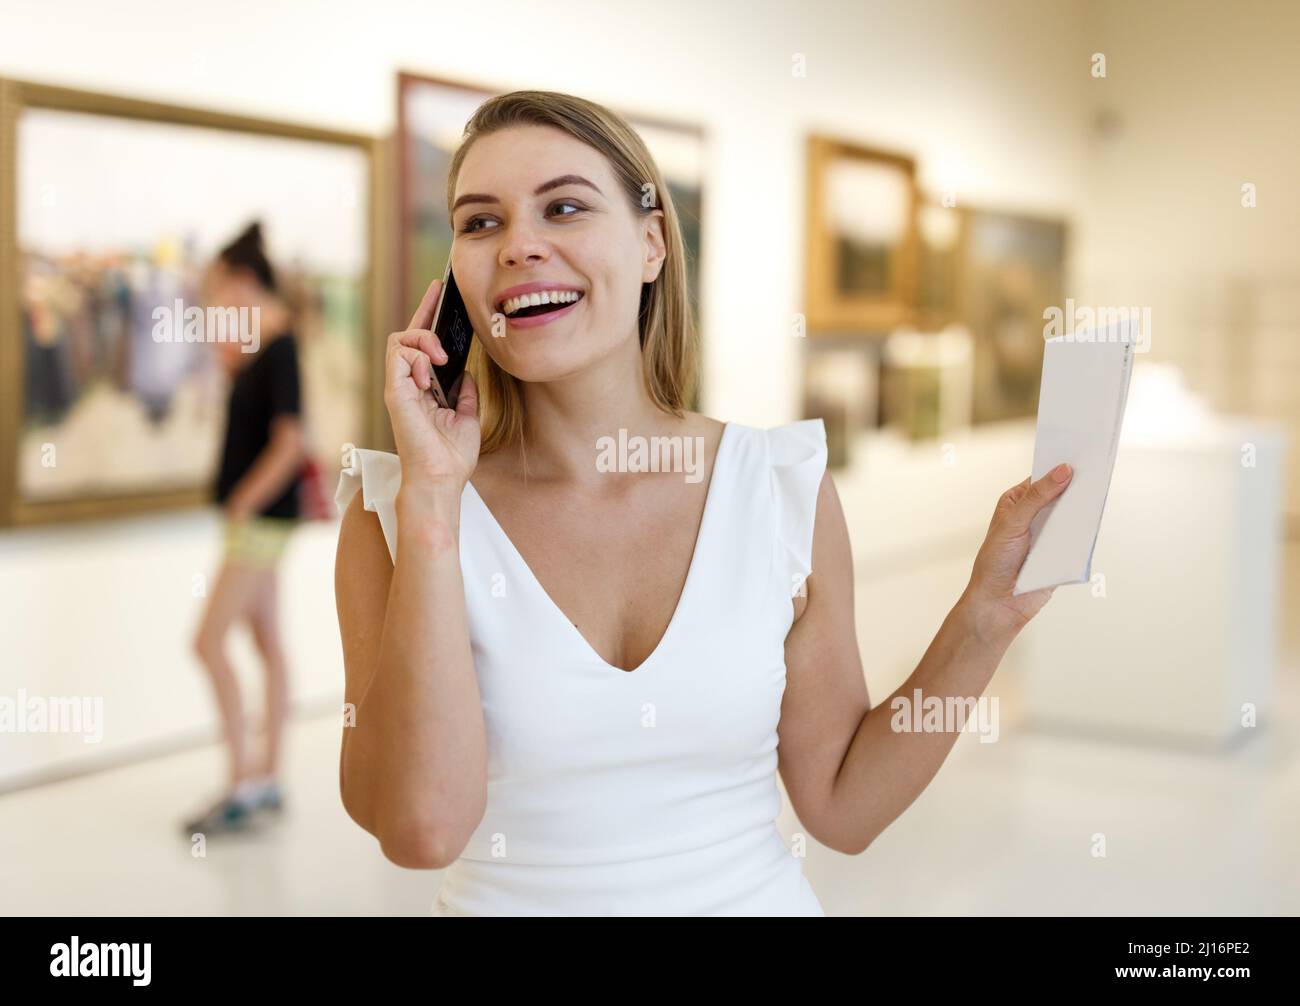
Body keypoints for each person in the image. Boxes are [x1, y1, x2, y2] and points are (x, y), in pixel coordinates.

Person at [333, 90, 1073, 915]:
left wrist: (984, 617)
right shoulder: (392, 513)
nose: (519, 247)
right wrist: (435, 508)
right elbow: (422, 830)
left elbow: (842, 804)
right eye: (480, 222)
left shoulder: (779, 486)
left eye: (565, 207)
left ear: (651, 243)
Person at [183, 222, 306, 836]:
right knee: (265, 644)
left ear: (244, 280)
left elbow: (291, 443)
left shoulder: (281, 350)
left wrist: (242, 504)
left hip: (259, 523)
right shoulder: (262, 349)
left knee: (206, 643)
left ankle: (243, 784)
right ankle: (266, 777)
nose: (217, 299)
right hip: (260, 522)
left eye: (222, 286)